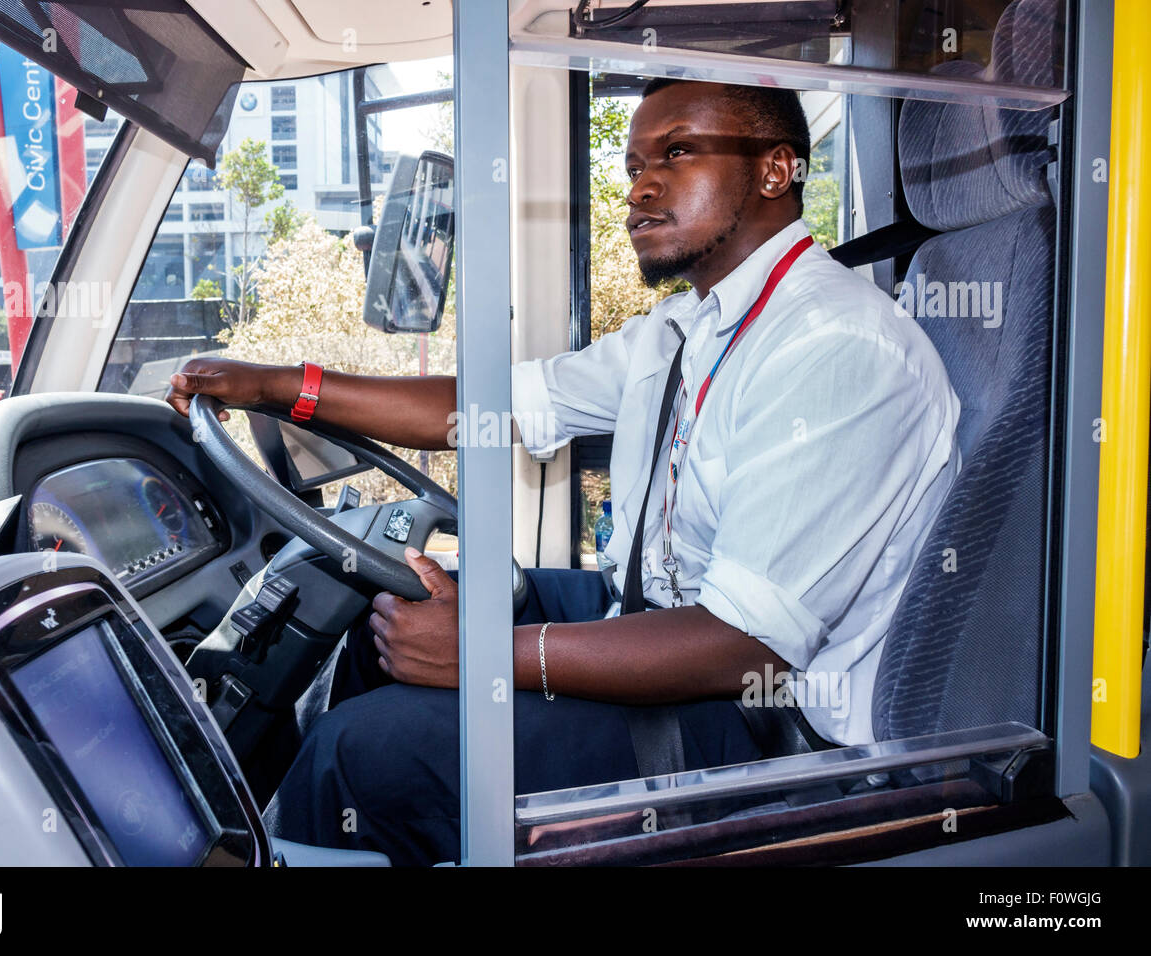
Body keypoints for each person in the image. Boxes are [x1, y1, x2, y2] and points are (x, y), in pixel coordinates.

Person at [165, 78, 960, 865]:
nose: (641, 188)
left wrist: (486, 655)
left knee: (365, 755)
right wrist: (278, 386)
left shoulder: (836, 349)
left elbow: (744, 645)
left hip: (764, 728)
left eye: (677, 153)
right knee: (389, 610)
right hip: (661, 613)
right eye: (632, 167)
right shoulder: (687, 326)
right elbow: (486, 408)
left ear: (775, 171)